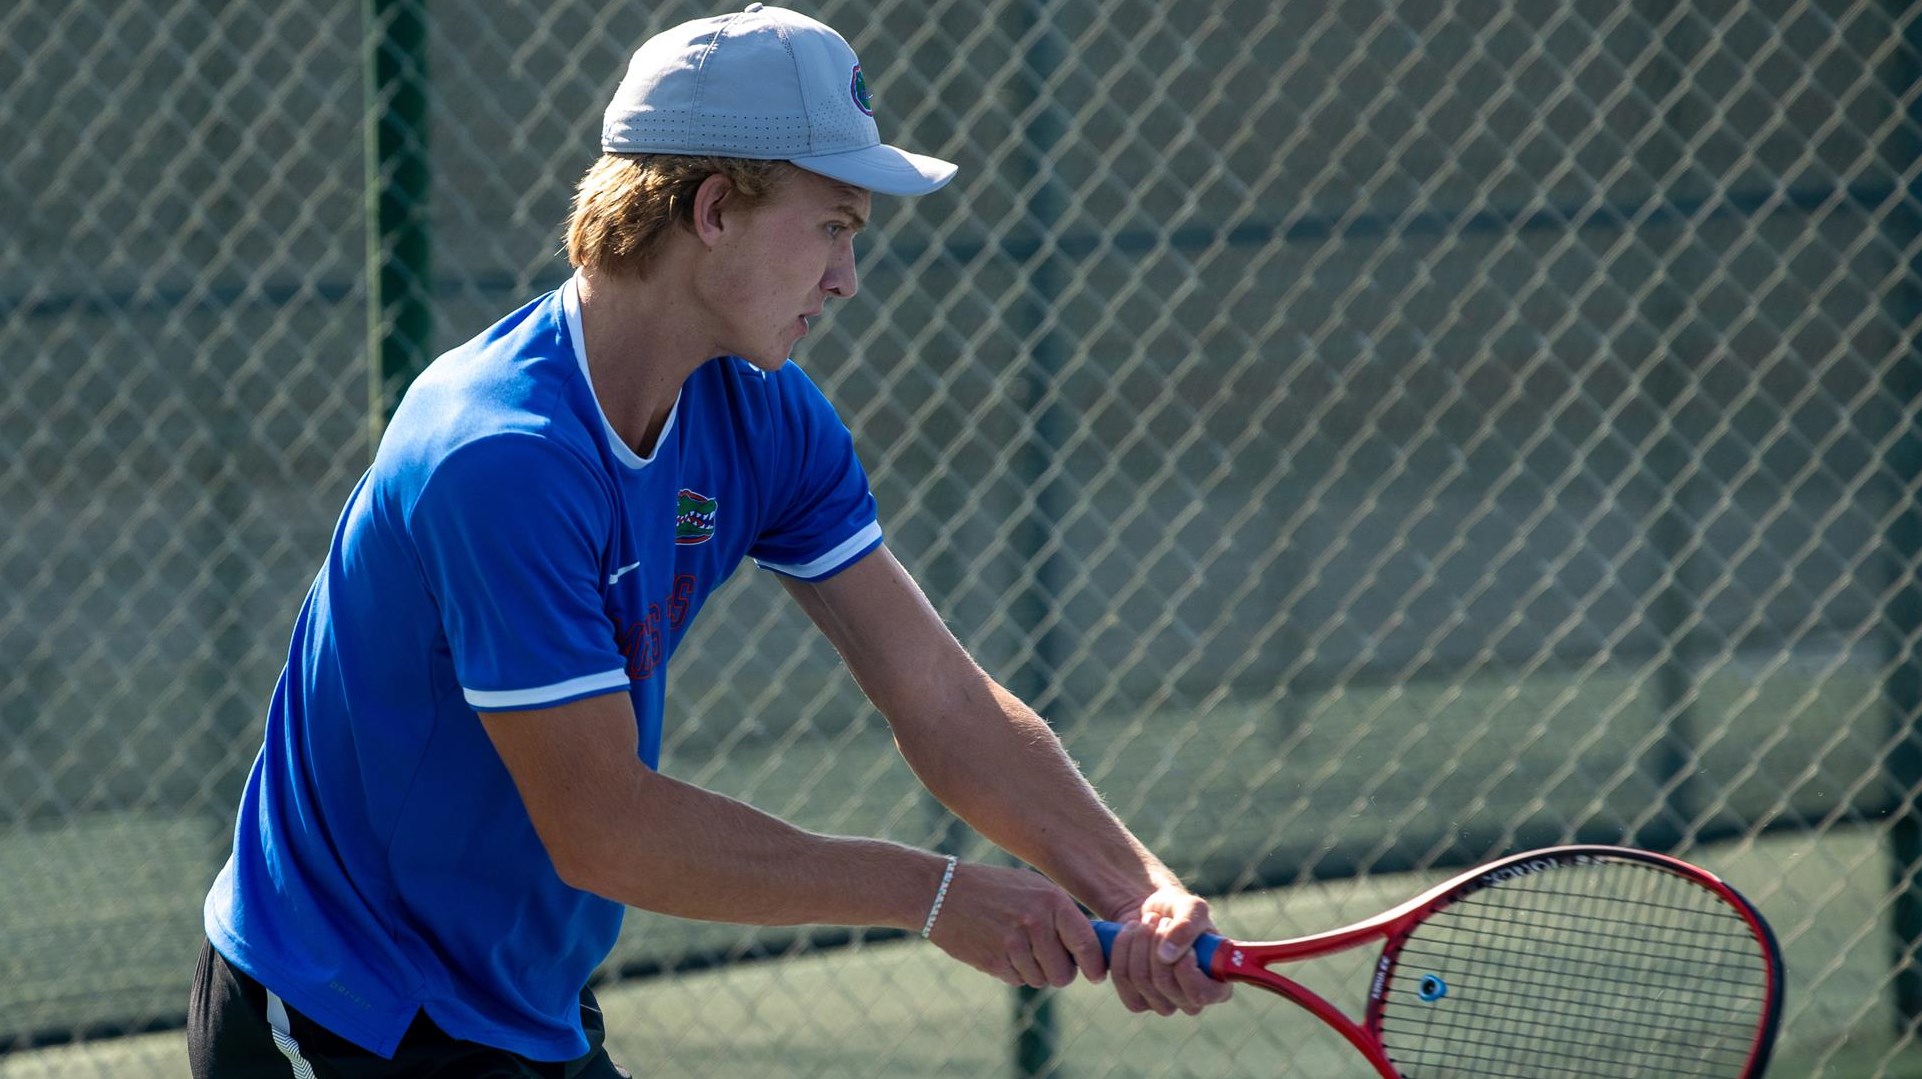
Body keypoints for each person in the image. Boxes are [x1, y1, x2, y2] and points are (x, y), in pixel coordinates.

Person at [188, 5, 1230, 1075]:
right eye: (833, 225)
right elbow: (605, 825)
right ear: (716, 208)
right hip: (340, 1006)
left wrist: (1135, 890)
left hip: (517, 1002)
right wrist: (929, 890)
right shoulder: (498, 454)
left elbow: (940, 696)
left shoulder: (763, 414)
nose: (846, 278)